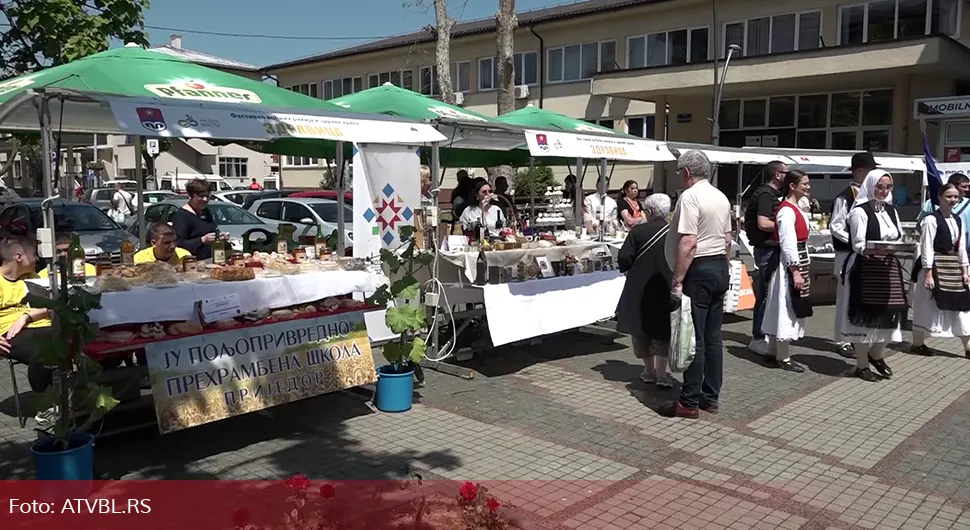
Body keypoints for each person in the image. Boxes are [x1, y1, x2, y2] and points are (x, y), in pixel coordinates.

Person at [660, 150, 732, 419]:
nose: (679, 177)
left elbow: (689, 242)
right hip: (719, 266)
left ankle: (689, 400)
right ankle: (710, 397)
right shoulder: (721, 196)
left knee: (694, 337)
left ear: (687, 172)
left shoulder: (690, 197)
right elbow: (728, 239)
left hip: (699, 269)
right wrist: (723, 267)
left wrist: (678, 279)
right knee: (713, 338)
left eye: (679, 172)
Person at [837, 169, 907, 382]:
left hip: (887, 266)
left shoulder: (891, 210)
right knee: (863, 314)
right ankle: (861, 364)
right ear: (870, 186)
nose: (884, 191)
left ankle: (876, 354)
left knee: (891, 310)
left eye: (888, 187)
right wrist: (874, 248)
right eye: (880, 187)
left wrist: (900, 246)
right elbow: (857, 243)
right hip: (865, 267)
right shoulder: (859, 212)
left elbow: (899, 235)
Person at [615, 193, 674, 388]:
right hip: (666, 285)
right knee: (663, 330)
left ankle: (648, 371)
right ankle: (662, 374)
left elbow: (624, 258)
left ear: (648, 211)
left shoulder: (638, 232)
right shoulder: (673, 232)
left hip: (639, 286)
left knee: (641, 330)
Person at [761, 170, 813, 373]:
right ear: (792, 186)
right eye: (804, 184)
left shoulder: (795, 208)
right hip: (788, 264)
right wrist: (795, 270)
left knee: (782, 305)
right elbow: (788, 243)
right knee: (786, 306)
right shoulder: (786, 212)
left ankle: (772, 352)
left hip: (796, 260)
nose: (808, 187)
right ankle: (783, 356)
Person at [911, 183, 970, 357]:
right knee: (926, 305)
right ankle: (917, 343)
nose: (953, 200)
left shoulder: (957, 219)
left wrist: (965, 270)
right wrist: (928, 273)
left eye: (956, 197)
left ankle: (968, 346)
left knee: (962, 306)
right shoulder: (930, 220)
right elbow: (927, 247)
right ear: (939, 198)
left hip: (952, 266)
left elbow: (961, 247)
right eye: (949, 196)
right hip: (933, 266)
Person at [829, 152, 876, 358]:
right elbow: (836, 226)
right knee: (845, 297)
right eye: (870, 170)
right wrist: (856, 240)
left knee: (861, 297)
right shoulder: (846, 196)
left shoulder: (872, 196)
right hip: (847, 253)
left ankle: (859, 337)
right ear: (860, 171)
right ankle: (842, 340)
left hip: (866, 254)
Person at [0, 236, 54, 397]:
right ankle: (47, 398)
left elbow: (51, 306)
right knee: (47, 348)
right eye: (33, 254)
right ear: (18, 256)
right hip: (11, 333)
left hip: (44, 326)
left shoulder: (33, 278)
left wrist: (27, 316)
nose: (37, 259)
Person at [743, 161, 788, 356]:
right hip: (766, 250)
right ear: (777, 174)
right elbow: (763, 223)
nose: (789, 176)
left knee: (769, 293)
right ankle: (759, 337)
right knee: (766, 295)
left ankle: (766, 334)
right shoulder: (766, 195)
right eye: (786, 172)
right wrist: (787, 224)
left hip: (770, 249)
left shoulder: (772, 195)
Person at [171, 178, 218, 260]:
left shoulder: (206, 212)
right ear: (190, 196)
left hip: (209, 259)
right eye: (201, 196)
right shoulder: (181, 216)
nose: (205, 199)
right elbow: (178, 244)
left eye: (207, 196)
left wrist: (219, 236)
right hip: (191, 261)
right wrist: (202, 240)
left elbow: (212, 230)